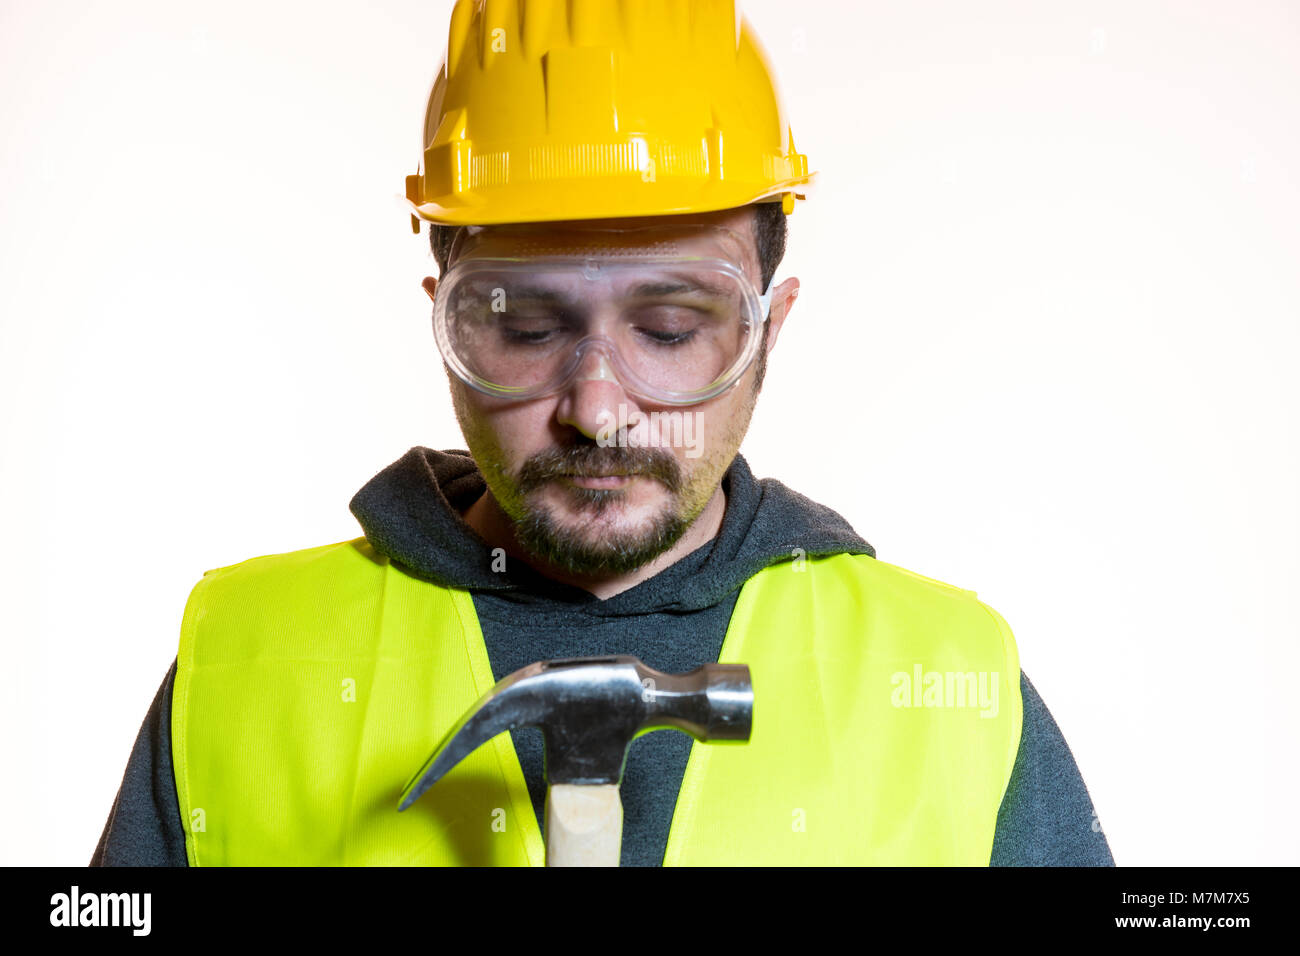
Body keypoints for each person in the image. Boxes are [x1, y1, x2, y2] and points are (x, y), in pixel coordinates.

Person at [92, 0, 1113, 866]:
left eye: (670, 329)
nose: (597, 407)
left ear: (772, 326)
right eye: (523, 327)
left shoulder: (948, 686)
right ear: (441, 319)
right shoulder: (248, 662)